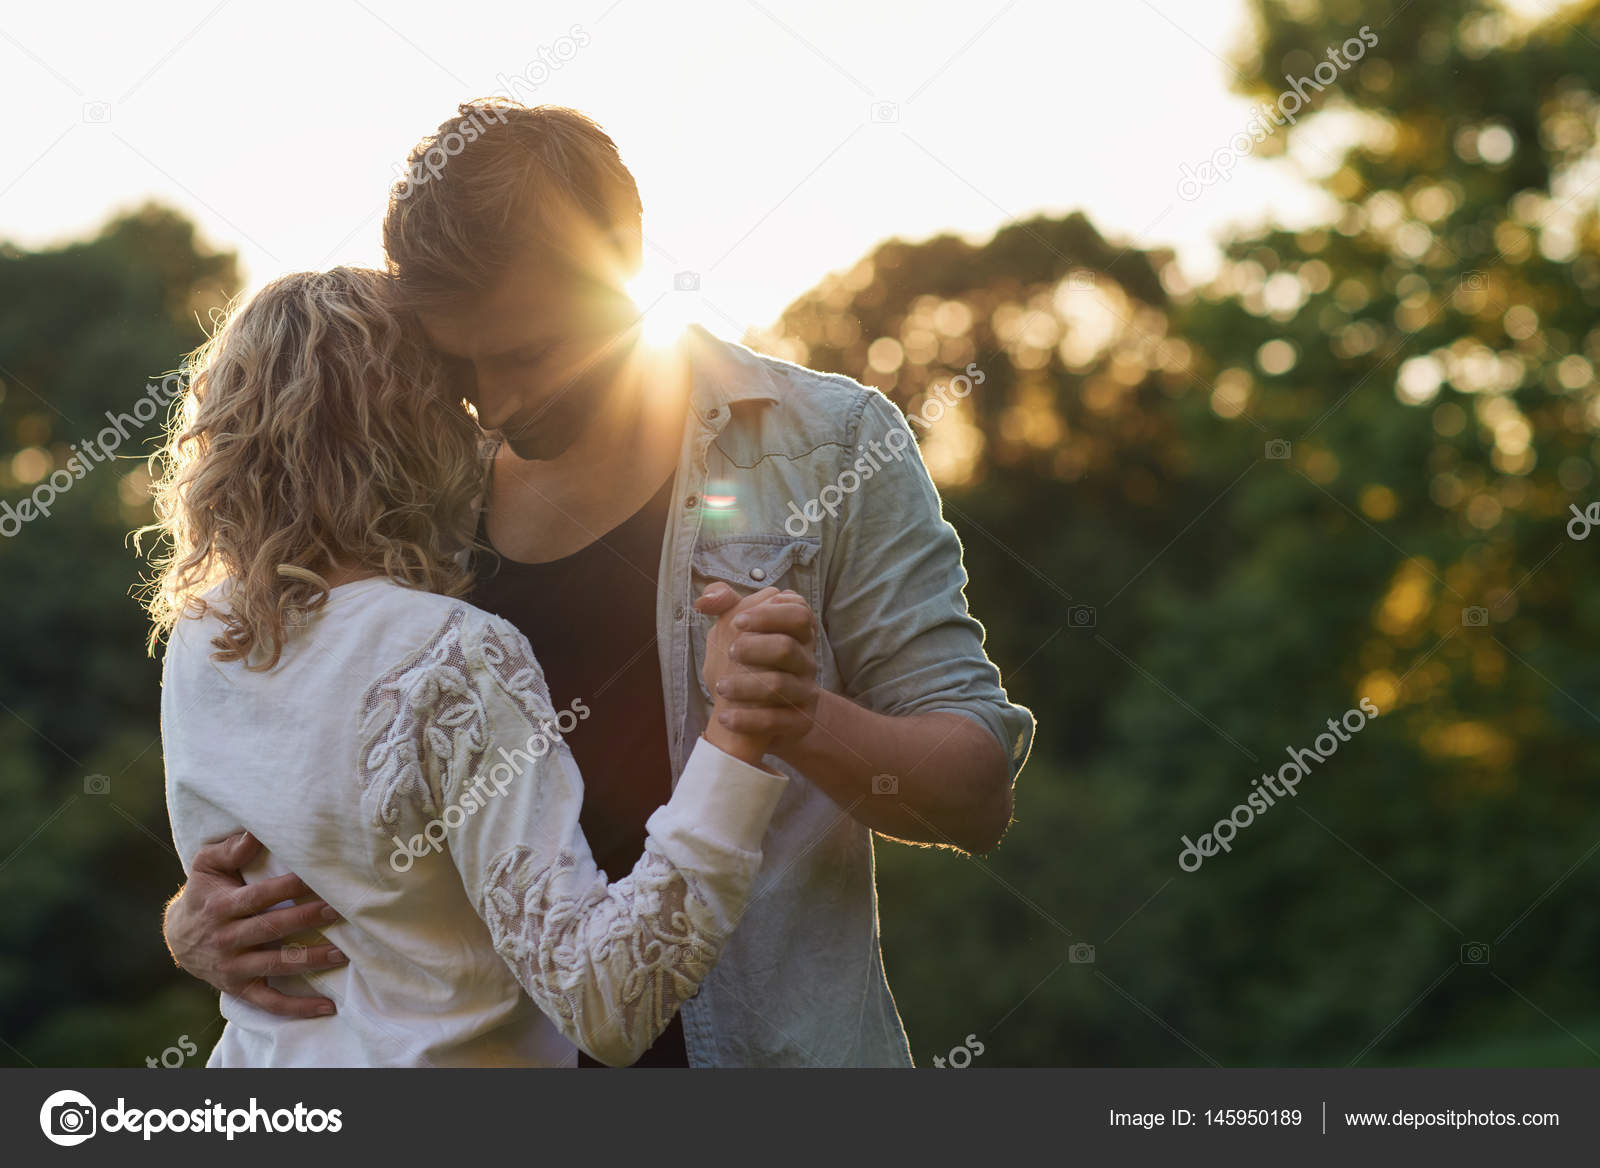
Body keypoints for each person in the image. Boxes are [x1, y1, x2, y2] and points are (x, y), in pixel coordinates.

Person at [163, 103, 1035, 1067]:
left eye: (529, 353)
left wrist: (793, 717)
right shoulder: (417, 494)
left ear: (621, 257)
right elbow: (327, 793)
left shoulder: (825, 444)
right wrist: (198, 920)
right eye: (461, 366)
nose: (496, 405)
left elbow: (975, 795)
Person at [150, 267, 816, 1066]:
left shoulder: (200, 637)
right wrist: (737, 732)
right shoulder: (452, 652)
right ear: (417, 426)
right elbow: (606, 1000)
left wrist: (181, 926)